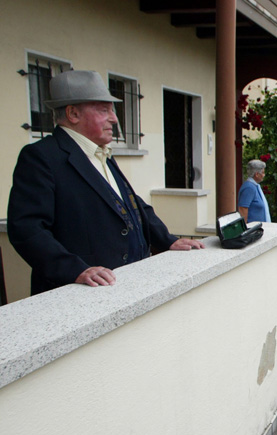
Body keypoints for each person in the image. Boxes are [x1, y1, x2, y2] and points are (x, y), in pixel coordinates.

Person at [7, 70, 204, 295]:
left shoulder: (101, 153)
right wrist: (76, 270)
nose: (115, 118)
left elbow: (131, 203)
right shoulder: (42, 156)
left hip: (124, 284)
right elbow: (26, 229)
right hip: (79, 293)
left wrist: (167, 241)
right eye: (104, 110)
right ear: (73, 113)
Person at [238, 159, 271, 224]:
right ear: (257, 174)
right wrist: (245, 228)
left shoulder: (255, 186)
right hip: (253, 230)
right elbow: (243, 208)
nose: (264, 175)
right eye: (263, 172)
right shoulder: (249, 187)